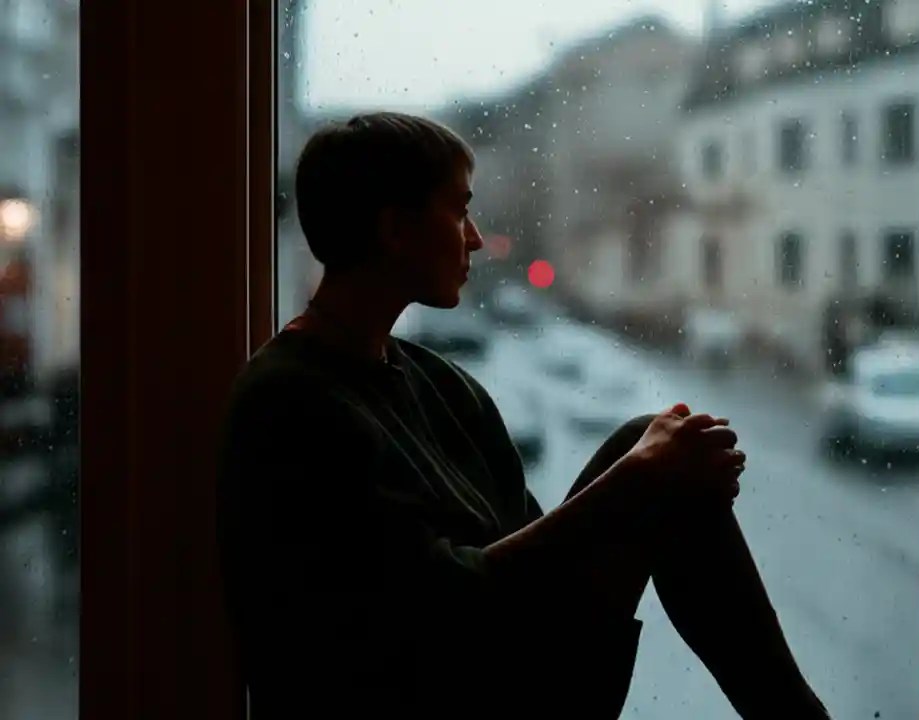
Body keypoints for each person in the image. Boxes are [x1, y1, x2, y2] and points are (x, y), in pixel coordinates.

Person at [216, 112, 829, 719]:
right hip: (449, 695)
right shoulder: (288, 404)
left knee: (655, 447)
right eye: (458, 211)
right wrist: (637, 482)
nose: (476, 237)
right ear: (395, 230)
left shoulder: (441, 383)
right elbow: (433, 612)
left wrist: (651, 474)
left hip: (505, 666)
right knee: (654, 462)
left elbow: (536, 550)